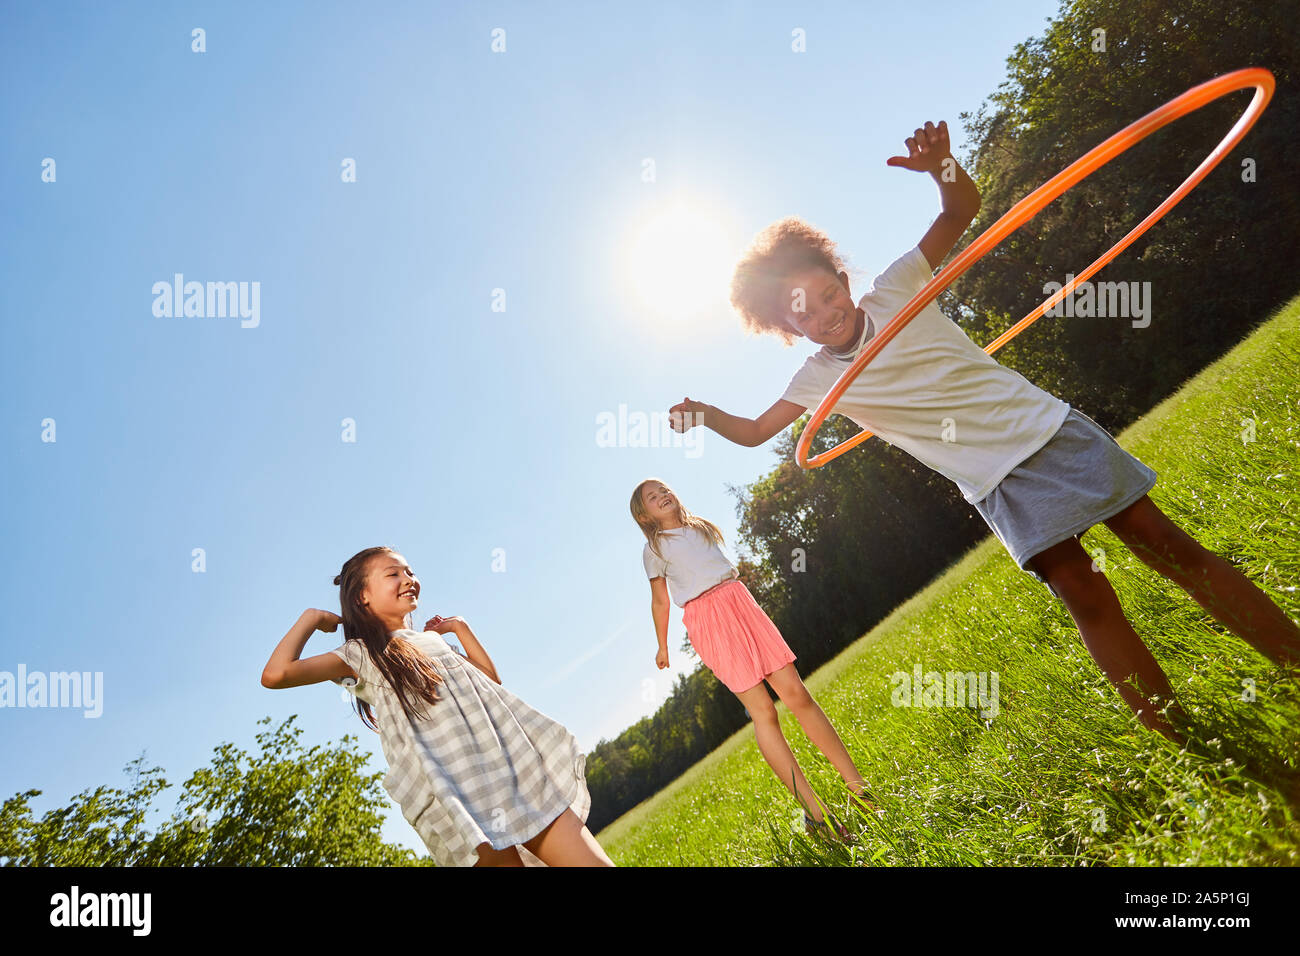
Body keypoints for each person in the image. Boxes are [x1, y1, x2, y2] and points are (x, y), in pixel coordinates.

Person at [669, 119, 1300, 746]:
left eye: (829, 294)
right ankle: (1188, 741)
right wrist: (706, 415)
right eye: (804, 313)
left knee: (1165, 547)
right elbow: (756, 432)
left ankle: (1290, 656)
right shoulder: (815, 379)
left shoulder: (898, 288)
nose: (828, 314)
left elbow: (962, 208)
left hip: (1047, 431)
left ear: (843, 279)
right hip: (997, 484)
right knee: (1087, 597)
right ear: (788, 327)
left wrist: (942, 164)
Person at [261, 545, 614, 867]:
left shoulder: (431, 642)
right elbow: (276, 675)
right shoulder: (361, 654)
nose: (409, 579)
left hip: (511, 771)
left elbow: (489, 678)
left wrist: (459, 628)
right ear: (363, 597)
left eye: (410, 572)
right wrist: (311, 619)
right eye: (393, 573)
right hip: (458, 794)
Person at [631, 478, 880, 839]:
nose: (663, 497)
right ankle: (818, 816)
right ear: (644, 514)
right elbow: (660, 600)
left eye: (664, 490)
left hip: (739, 602)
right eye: (653, 498)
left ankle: (860, 790)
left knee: (797, 694)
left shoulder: (699, 527)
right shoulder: (653, 549)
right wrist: (662, 644)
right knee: (764, 711)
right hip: (707, 620)